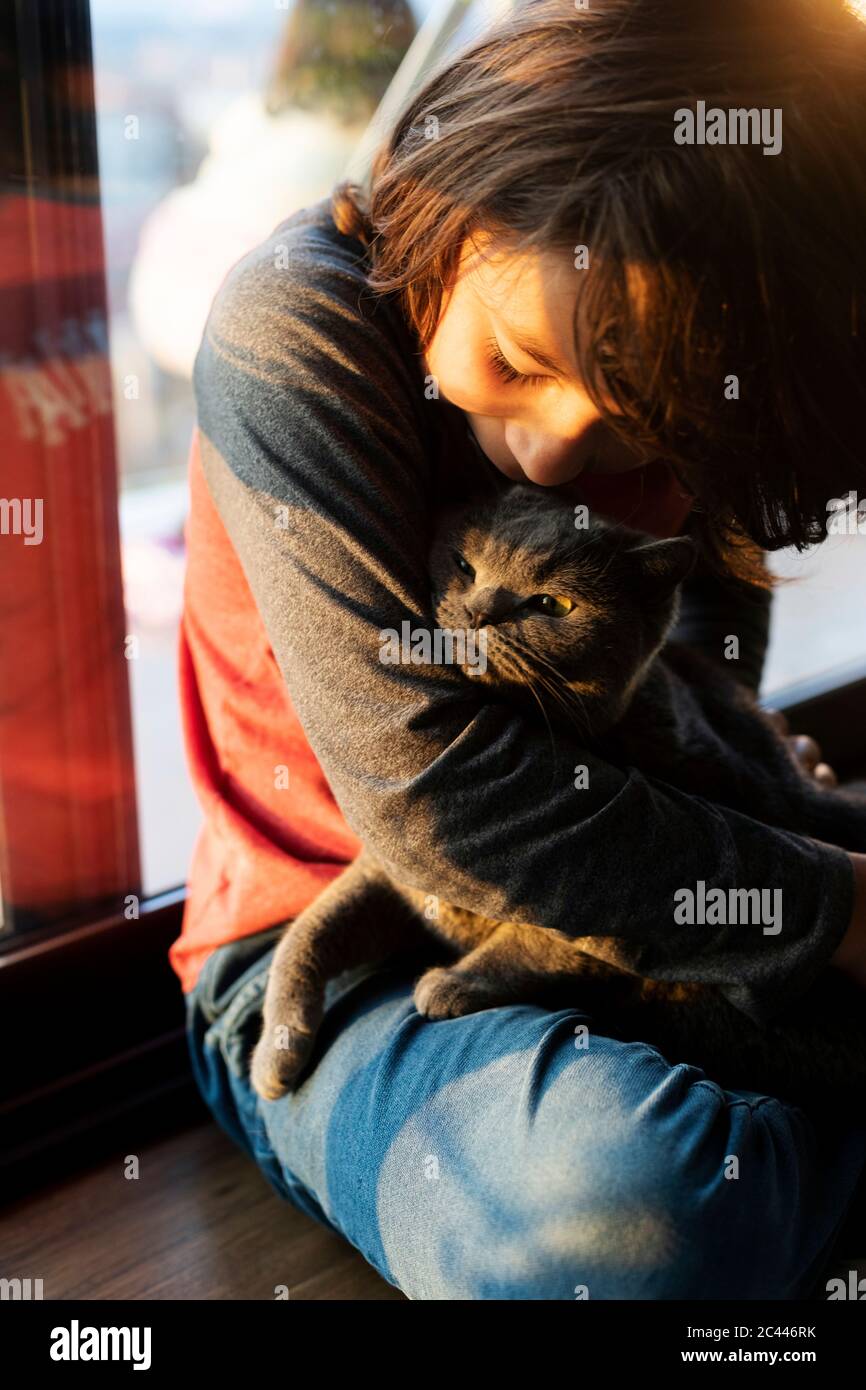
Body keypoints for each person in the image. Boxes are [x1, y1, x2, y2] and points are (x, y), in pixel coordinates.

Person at [176, 0, 866, 1299]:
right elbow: (437, 798)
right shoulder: (294, 334)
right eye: (519, 356)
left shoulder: (713, 369)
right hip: (344, 969)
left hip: (641, 918)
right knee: (626, 1211)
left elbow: (700, 695)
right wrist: (829, 906)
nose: (555, 452)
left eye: (641, 438)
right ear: (474, 189)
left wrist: (752, 803)